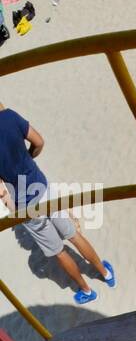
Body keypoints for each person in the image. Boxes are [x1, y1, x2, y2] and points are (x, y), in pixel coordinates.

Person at [0, 104, 114, 305]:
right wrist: (29, 156)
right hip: (41, 187)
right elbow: (39, 141)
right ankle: (105, 273)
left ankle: (86, 290)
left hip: (25, 204)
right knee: (73, 235)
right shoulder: (9, 117)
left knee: (58, 251)